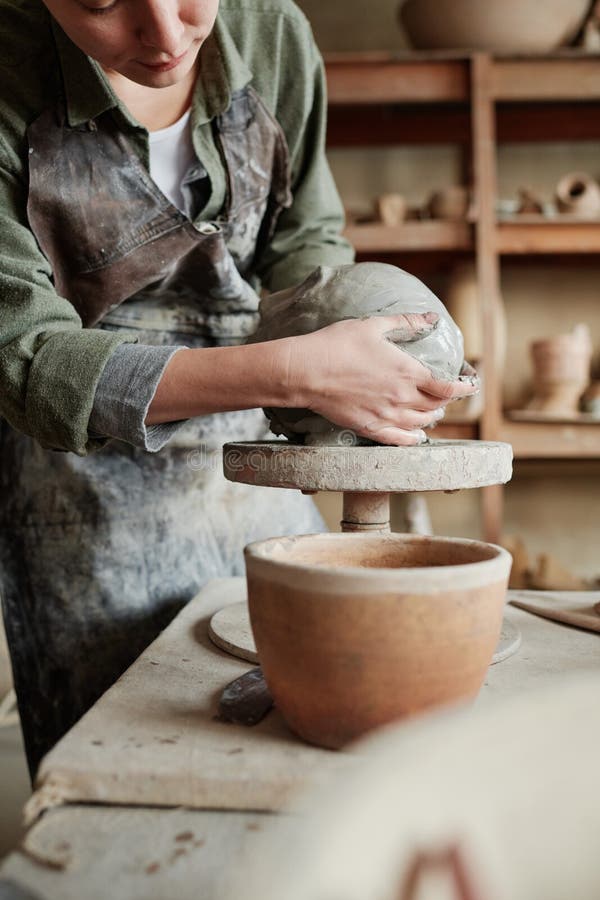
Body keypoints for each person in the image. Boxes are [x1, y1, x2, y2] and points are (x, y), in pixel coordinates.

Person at [0, 0, 477, 777]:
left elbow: (305, 241)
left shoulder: (270, 33)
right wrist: (294, 371)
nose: (165, 34)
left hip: (251, 456)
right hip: (80, 488)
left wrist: (362, 340)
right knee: (131, 777)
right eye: (101, 3)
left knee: (287, 755)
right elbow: (24, 357)